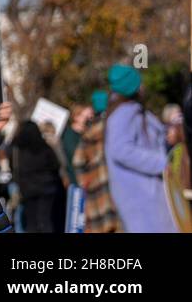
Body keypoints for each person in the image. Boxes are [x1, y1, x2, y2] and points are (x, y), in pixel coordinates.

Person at [104, 64, 178, 232]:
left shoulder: (132, 110)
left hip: (147, 190)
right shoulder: (123, 114)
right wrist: (161, 163)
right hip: (141, 194)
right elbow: (121, 149)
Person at [75, 88, 123, 233]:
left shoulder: (88, 134)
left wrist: (85, 180)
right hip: (117, 186)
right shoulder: (115, 127)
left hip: (97, 190)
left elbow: (77, 162)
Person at [11, 121, 65, 232]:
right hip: (47, 187)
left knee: (31, 222)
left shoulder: (17, 149)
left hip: (27, 188)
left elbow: (14, 167)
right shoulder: (44, 146)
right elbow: (56, 164)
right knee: (46, 220)